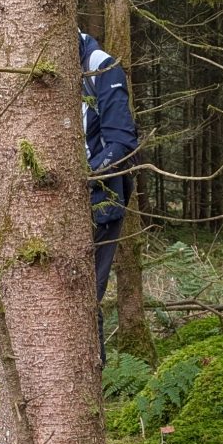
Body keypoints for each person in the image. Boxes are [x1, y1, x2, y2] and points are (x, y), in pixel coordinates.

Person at [81, 31, 139, 360]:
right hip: (48, 204)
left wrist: (85, 178)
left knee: (86, 293)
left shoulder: (102, 67)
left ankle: (92, 381)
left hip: (101, 201)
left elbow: (121, 143)